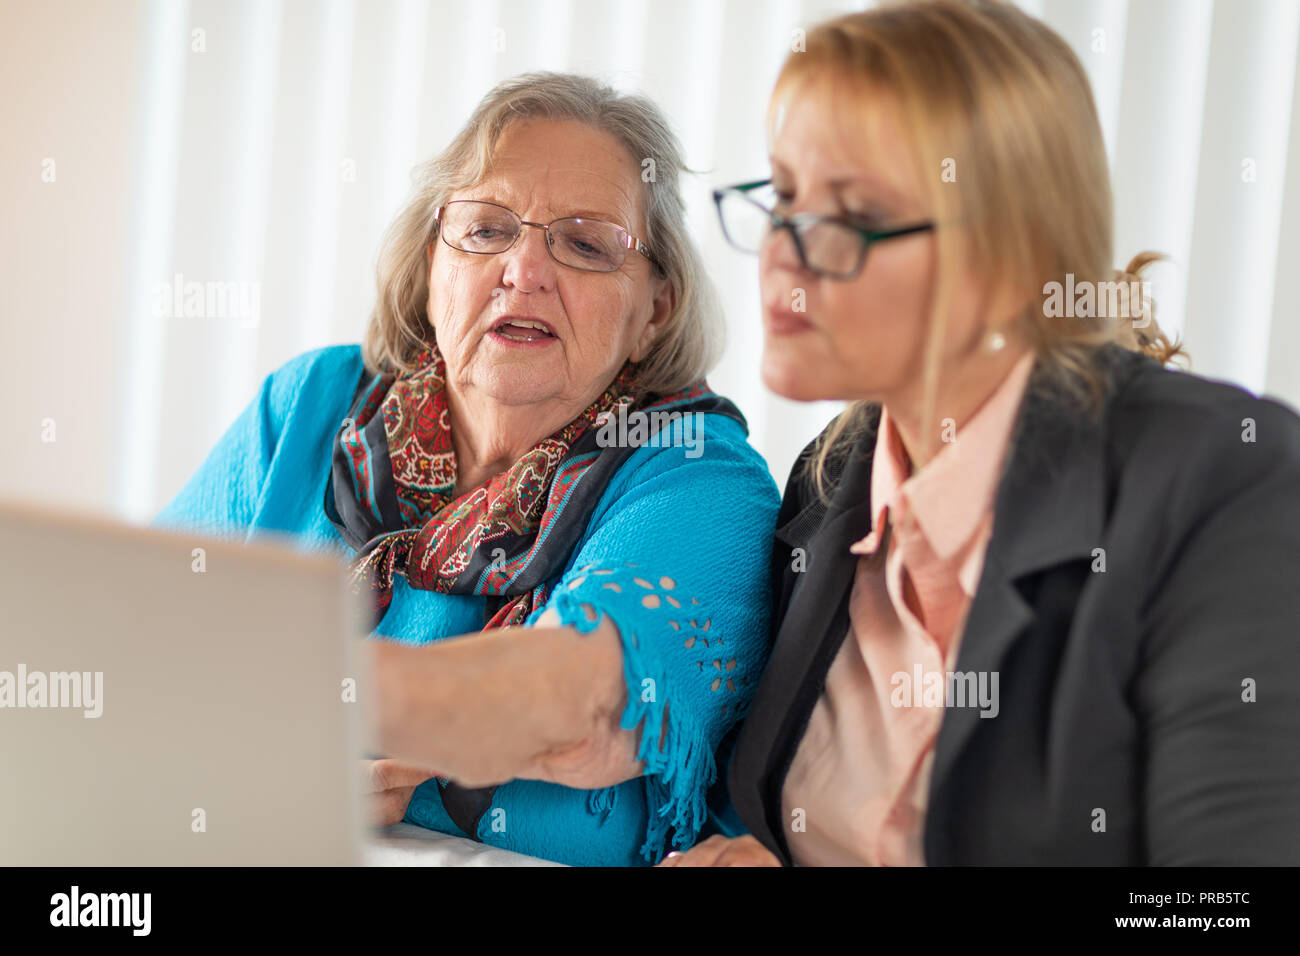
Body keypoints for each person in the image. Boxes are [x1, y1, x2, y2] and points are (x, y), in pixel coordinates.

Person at [660, 0, 1300, 866]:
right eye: (783, 197)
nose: (781, 251)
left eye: (845, 215)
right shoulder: (831, 480)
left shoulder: (1222, 481)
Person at [154, 71, 780, 866]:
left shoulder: (697, 477)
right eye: (485, 232)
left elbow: (577, 698)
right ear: (430, 265)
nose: (525, 269)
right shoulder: (309, 405)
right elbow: (139, 648)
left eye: (587, 244)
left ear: (654, 310)